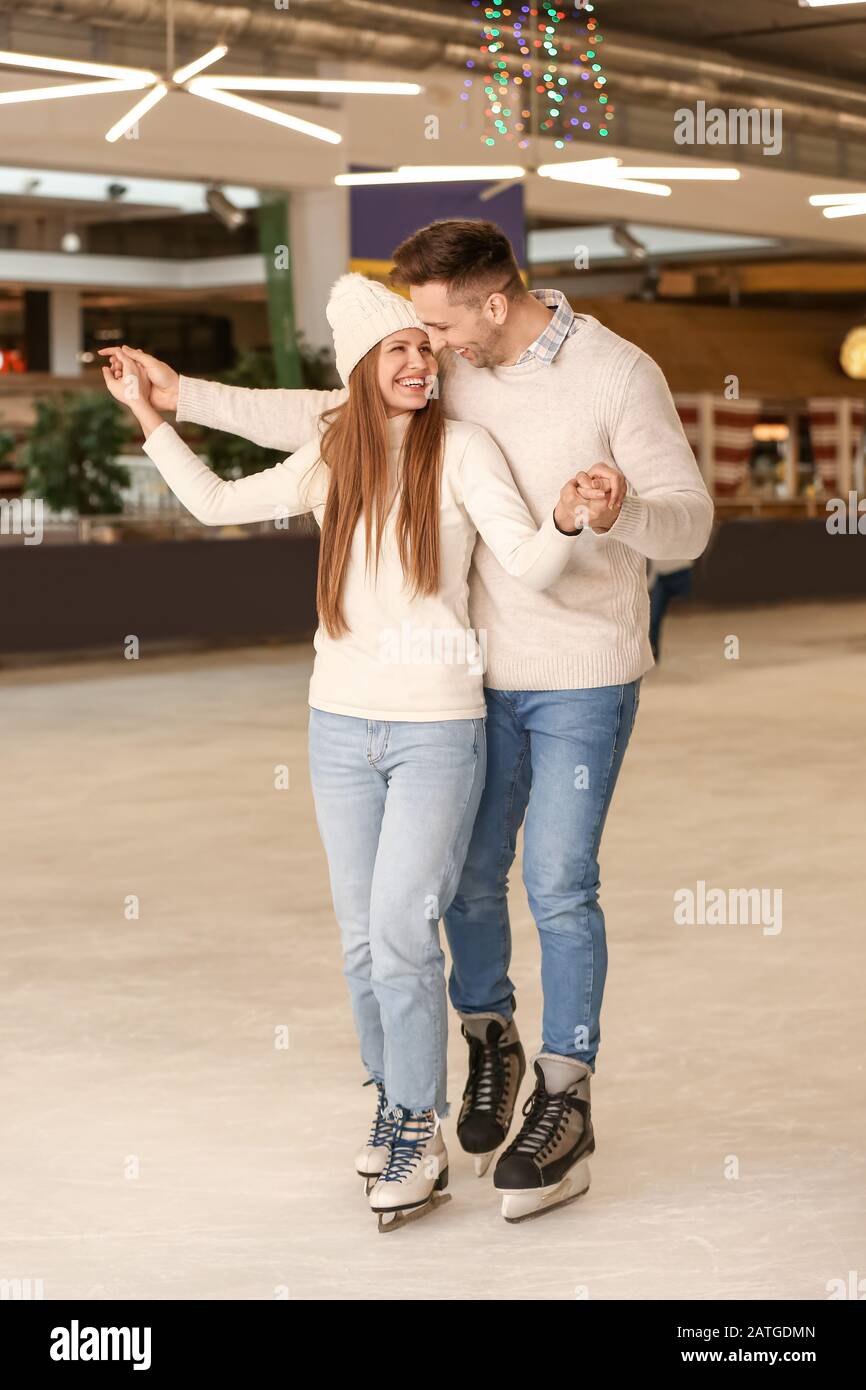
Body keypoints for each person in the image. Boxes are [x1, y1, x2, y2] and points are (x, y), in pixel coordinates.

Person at [101, 220, 713, 1223]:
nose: (430, 351)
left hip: (575, 676)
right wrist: (178, 400)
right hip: (466, 684)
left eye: (435, 329)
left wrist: (611, 512)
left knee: (556, 882)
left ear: (489, 301)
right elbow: (323, 413)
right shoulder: (448, 371)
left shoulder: (612, 373)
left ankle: (562, 1097)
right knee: (462, 888)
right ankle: (482, 1044)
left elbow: (685, 516)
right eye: (412, 338)